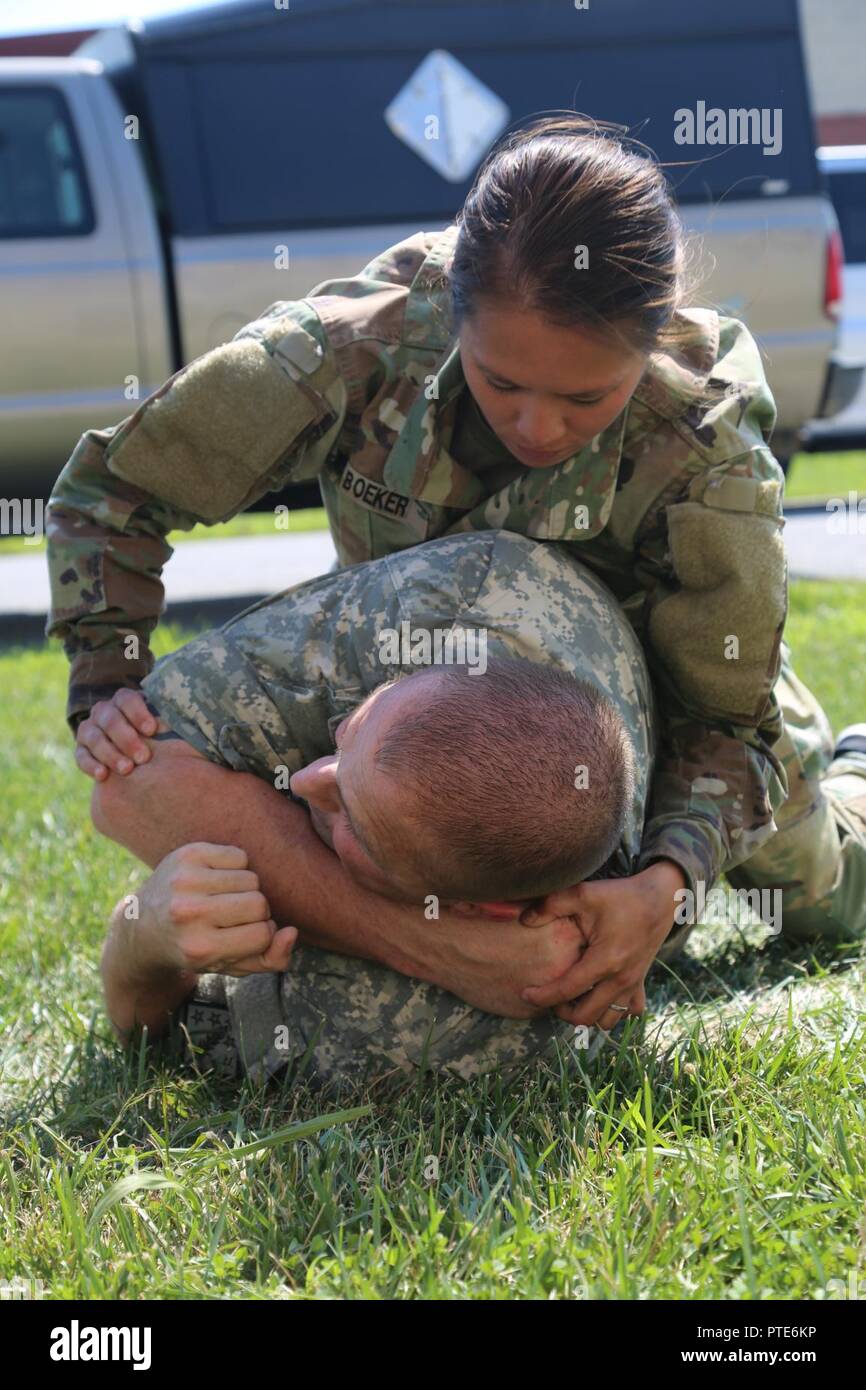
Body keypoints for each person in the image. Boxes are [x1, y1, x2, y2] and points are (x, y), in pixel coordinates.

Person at [48, 114, 866, 989]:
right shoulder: (356, 348)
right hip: (420, 701)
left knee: (819, 901)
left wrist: (666, 886)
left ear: (651, 341)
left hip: (656, 710)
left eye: (586, 397)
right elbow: (117, 487)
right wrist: (108, 671)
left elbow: (729, 722)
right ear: (455, 313)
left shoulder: (708, 451)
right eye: (502, 381)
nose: (537, 427)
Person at [94, 529, 678, 1084]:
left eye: (351, 820)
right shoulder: (438, 608)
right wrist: (429, 945)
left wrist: (139, 937)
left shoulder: (444, 1038)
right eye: (349, 728)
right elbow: (127, 781)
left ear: (475, 908)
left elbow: (162, 1042)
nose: (302, 780)